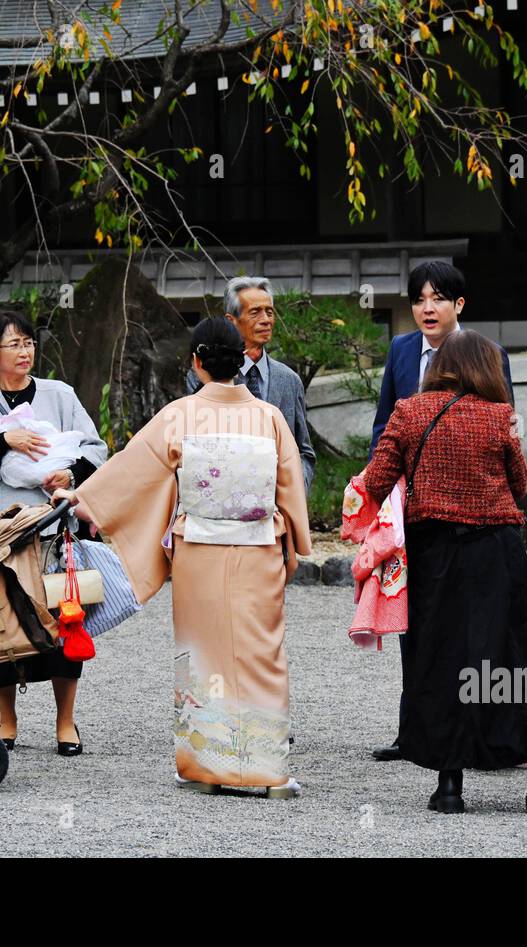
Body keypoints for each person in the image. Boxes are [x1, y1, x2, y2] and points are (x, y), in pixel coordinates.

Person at [56, 317, 312, 797]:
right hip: (257, 548)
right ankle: (267, 771)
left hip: (199, 552)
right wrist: (294, 546)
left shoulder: (180, 415)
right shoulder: (268, 418)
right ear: (241, 360)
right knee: (262, 655)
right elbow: (289, 490)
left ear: (196, 362)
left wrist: (82, 499)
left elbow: (131, 471)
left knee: (202, 655)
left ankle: (205, 766)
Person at [364, 329, 527, 813]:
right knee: (519, 655)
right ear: (486, 369)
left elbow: (376, 478)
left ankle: (448, 784)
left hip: (434, 554)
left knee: (441, 657)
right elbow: (518, 483)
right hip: (496, 550)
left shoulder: (409, 412)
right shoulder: (500, 417)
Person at [368, 260, 513, 762]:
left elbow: (504, 427)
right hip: (408, 507)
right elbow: (384, 422)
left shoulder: (487, 354)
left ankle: (478, 728)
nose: (427, 308)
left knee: (476, 625)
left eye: (438, 298)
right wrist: (378, 494)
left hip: (472, 511)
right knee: (414, 616)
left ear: (460, 305)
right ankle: (414, 731)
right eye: (419, 299)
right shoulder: (402, 349)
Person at [0, 311, 107, 755]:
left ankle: (66, 722)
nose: (24, 351)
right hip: (0, 537)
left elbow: (96, 447)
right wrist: (5, 442)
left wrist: (69, 475)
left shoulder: (60, 395)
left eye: (29, 342)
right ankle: (7, 721)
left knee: (63, 624)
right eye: (13, 344)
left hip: (54, 531)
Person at [185, 276, 315, 492]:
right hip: (225, 501)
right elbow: (195, 444)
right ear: (231, 320)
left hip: (279, 510)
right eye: (255, 312)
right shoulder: (205, 374)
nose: (266, 320)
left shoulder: (289, 380)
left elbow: (304, 451)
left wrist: (294, 490)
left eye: (270, 312)